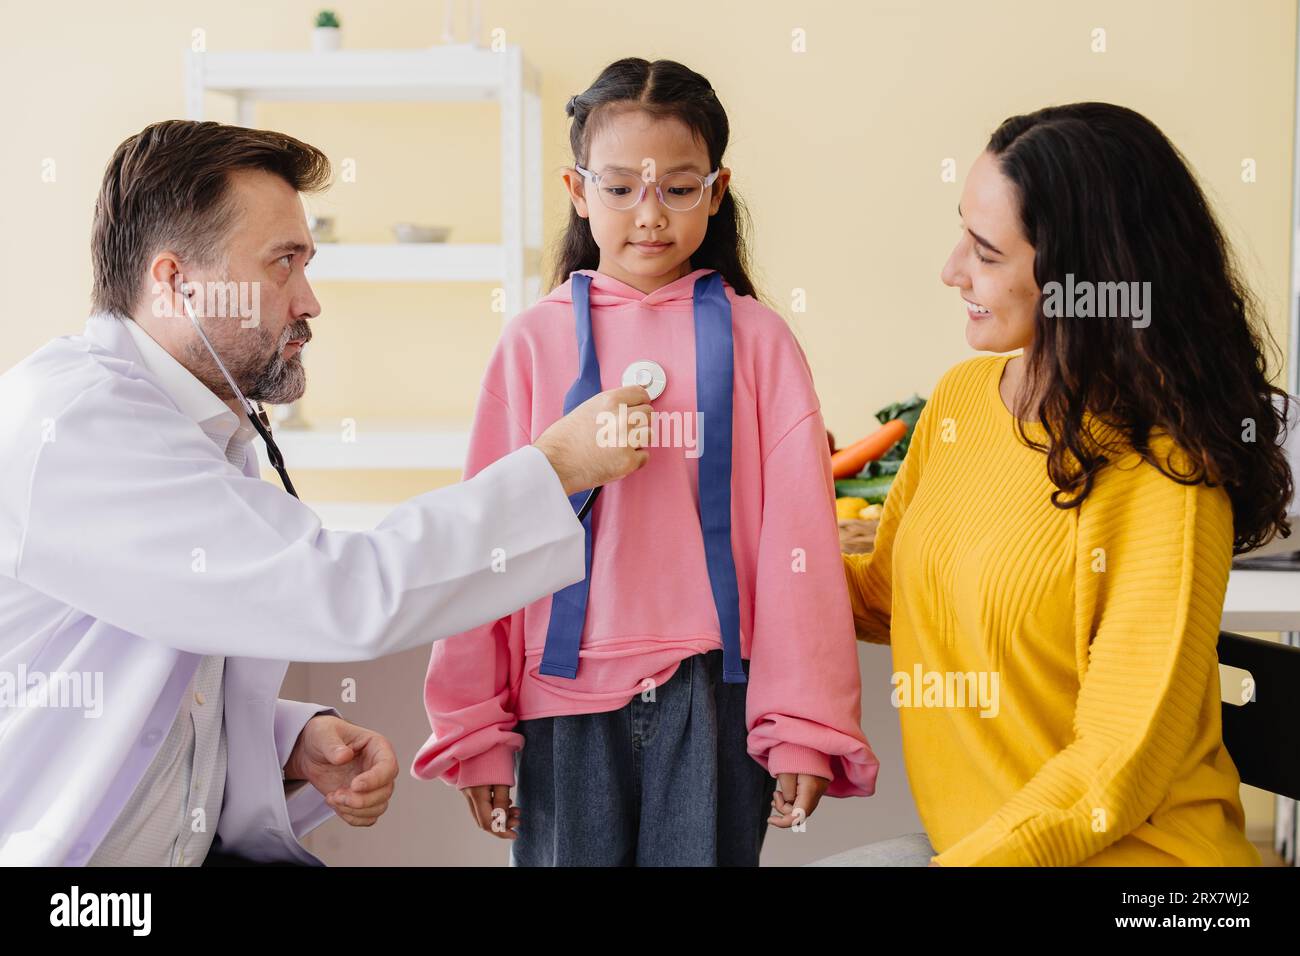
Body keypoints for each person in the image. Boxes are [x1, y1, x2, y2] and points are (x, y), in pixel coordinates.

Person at [0, 120, 652, 866]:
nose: (309, 302)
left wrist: (286, 739)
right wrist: (554, 469)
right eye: (283, 265)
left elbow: (130, 665)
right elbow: (340, 593)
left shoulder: (194, 428)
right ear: (176, 281)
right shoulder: (78, 426)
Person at [412, 58, 878, 866]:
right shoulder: (532, 342)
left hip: (715, 695)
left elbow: (796, 546)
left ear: (717, 189)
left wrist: (803, 721)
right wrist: (474, 726)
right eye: (621, 187)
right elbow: (484, 536)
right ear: (577, 187)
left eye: (679, 187)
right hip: (558, 703)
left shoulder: (759, 341)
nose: (649, 214)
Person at [826, 102, 1293, 867]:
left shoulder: (1166, 479)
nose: (951, 271)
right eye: (962, 234)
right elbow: (885, 598)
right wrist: (740, 558)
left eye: (987, 251)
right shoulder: (961, 401)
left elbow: (1111, 771)